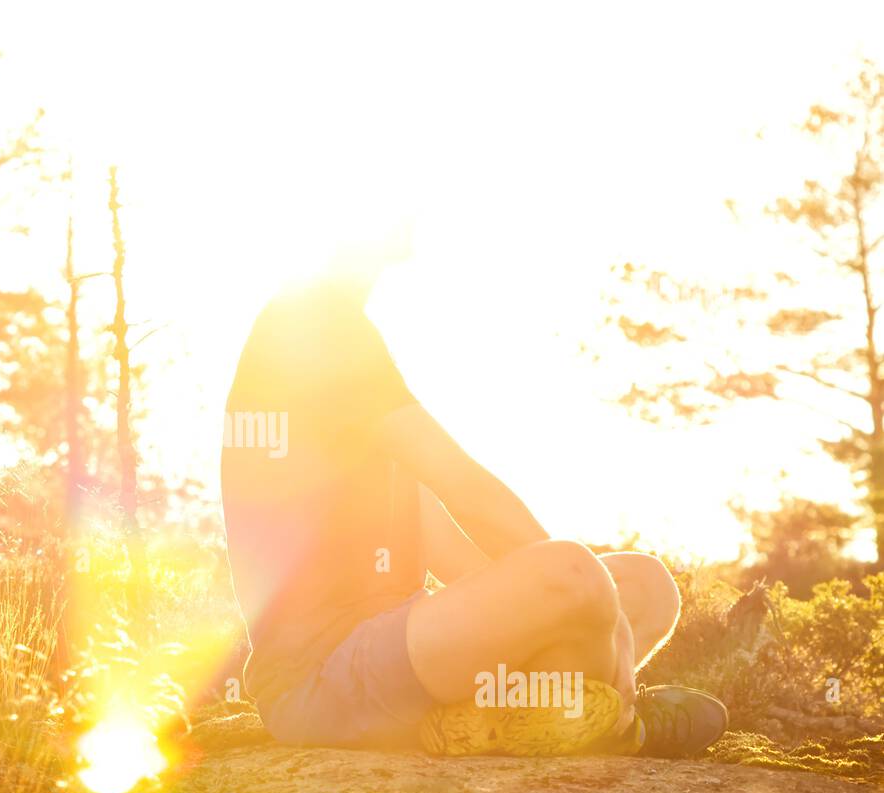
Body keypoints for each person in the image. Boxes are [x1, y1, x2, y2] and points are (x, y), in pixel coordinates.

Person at [220, 219, 727, 756]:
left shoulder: (347, 338)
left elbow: (449, 544)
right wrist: (586, 603)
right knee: (577, 576)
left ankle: (500, 715)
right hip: (320, 680)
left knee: (647, 586)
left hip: (404, 648)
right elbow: (463, 485)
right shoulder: (313, 327)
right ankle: (624, 729)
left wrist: (574, 609)